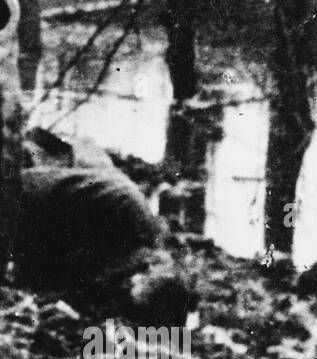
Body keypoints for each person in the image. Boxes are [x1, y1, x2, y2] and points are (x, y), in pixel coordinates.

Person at [15, 128, 195, 325]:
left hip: (40, 197)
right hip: (28, 200)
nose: (132, 287)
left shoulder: (141, 242)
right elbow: (86, 275)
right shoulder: (135, 245)